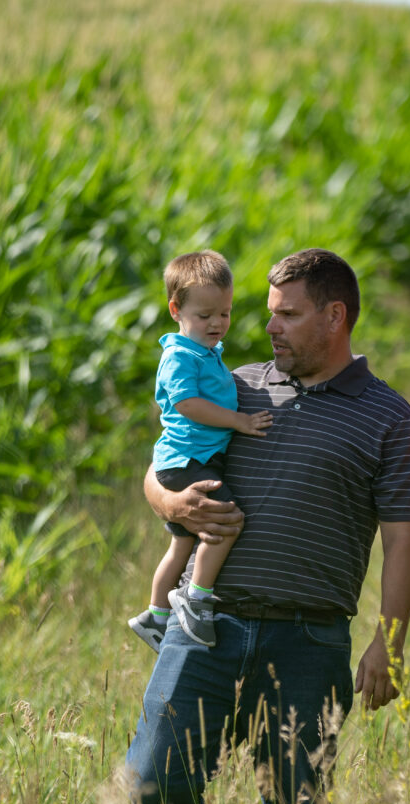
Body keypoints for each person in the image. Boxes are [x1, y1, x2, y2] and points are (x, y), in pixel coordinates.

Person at [124, 248, 410, 804]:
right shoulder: (233, 383)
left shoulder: (390, 419)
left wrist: (389, 645)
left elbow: (405, 543)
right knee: (152, 779)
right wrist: (169, 501)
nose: (269, 328)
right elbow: (163, 459)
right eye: (268, 314)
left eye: (287, 315)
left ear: (335, 317)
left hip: (308, 640)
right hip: (206, 624)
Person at [127, 250, 273, 652]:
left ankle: (154, 617)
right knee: (227, 524)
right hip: (187, 463)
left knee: (182, 543)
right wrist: (239, 421)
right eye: (204, 315)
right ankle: (195, 597)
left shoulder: (206, 354)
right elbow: (187, 404)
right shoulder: (178, 355)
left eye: (224, 314)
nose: (217, 324)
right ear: (176, 310)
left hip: (188, 461)